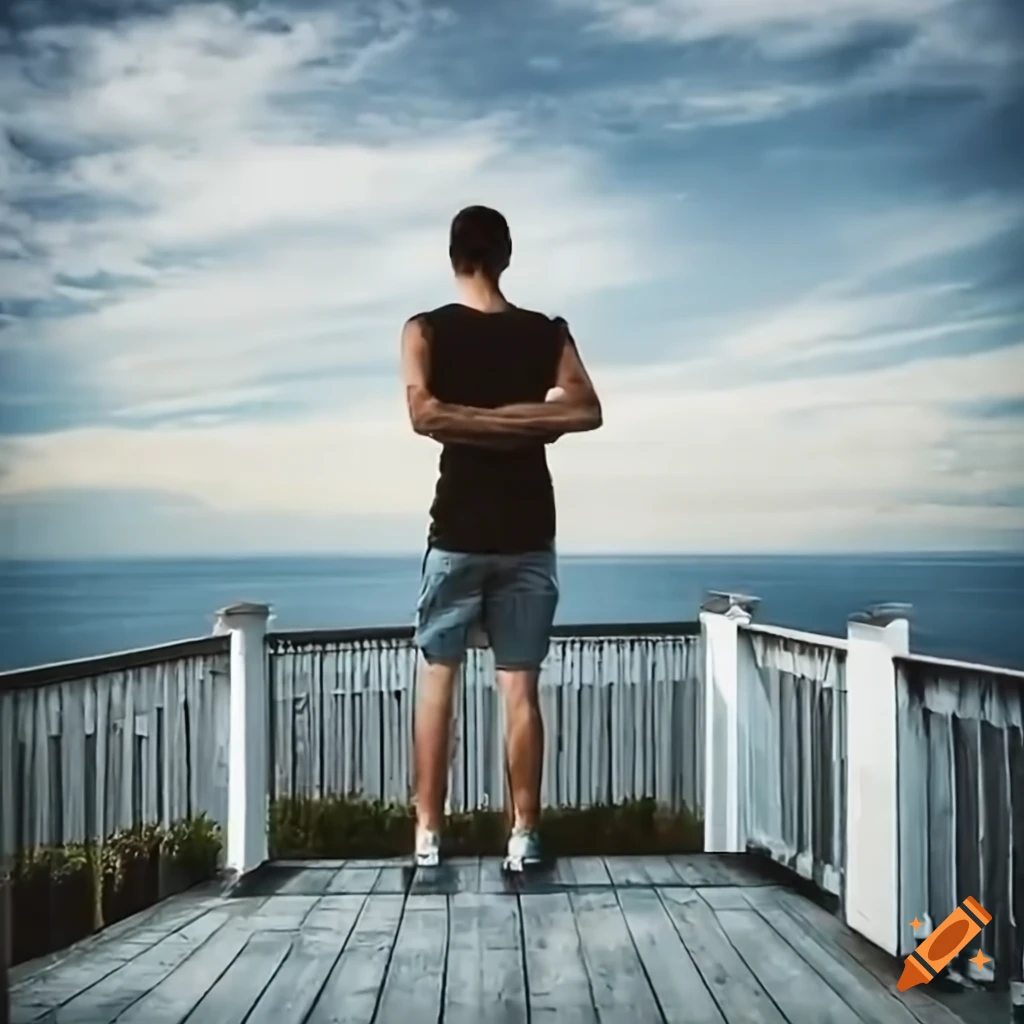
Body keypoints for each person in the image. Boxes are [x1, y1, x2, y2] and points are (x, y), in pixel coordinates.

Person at [400, 205, 603, 870]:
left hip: (457, 530)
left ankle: (427, 836)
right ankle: (524, 835)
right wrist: (533, 421)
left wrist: (468, 420)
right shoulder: (545, 334)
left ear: (452, 256)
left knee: (438, 679)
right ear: (507, 254)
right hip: (527, 531)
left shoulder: (423, 329)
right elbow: (574, 408)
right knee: (519, 686)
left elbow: (429, 413)